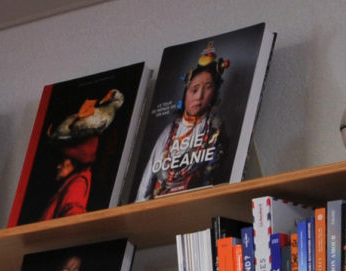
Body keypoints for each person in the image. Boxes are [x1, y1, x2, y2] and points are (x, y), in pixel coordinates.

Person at [135, 48, 229, 199]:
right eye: (194, 89)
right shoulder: (170, 131)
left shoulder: (214, 127)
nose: (199, 96)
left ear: (214, 94)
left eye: (208, 88)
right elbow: (147, 179)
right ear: (186, 92)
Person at [32, 91, 122, 221]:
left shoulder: (78, 182)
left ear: (75, 161)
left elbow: (74, 213)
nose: (58, 166)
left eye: (63, 161)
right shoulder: (71, 181)